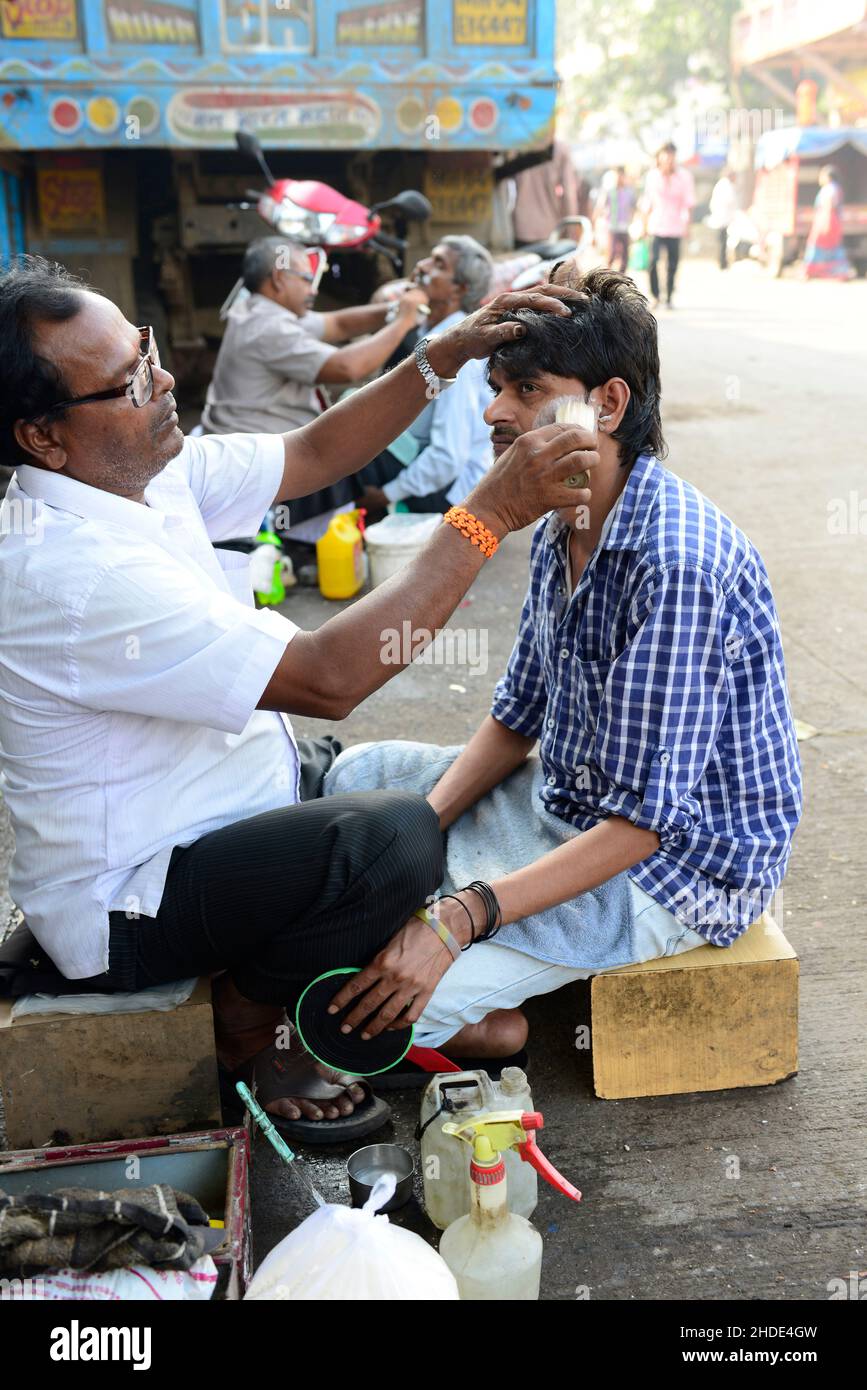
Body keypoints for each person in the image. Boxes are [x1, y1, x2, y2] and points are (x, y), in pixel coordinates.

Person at [0, 256, 594, 1142]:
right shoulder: (67, 572)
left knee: (408, 784)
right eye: (128, 382)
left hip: (219, 796)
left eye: (148, 349)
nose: (161, 381)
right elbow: (330, 677)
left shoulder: (133, 465)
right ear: (43, 438)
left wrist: (448, 350)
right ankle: (249, 1023)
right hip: (135, 896)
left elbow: (313, 453)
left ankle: (362, 990)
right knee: (393, 837)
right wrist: (486, 514)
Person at [323, 266, 802, 1059]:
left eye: (525, 389)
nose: (494, 410)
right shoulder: (561, 516)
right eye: (495, 386)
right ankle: (492, 983)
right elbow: (515, 719)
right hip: (571, 804)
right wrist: (418, 832)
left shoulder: (673, 563)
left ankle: (489, 1024)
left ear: (607, 404)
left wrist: (460, 913)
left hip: (675, 871)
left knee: (372, 1007)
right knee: (360, 780)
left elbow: (642, 827)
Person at [202, 237, 427, 530]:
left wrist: (394, 310)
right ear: (279, 279)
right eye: (307, 278)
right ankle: (319, 533)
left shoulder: (263, 310)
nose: (314, 289)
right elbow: (348, 367)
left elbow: (339, 325)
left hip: (246, 445)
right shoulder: (267, 327)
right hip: (258, 464)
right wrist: (403, 322)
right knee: (371, 443)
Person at [358, 236, 495, 517]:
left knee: (352, 448)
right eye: (429, 258)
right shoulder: (427, 333)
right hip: (429, 469)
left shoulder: (455, 348)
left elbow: (448, 457)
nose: (421, 266)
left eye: (438, 264)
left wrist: (385, 495)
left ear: (460, 288)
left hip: (450, 494)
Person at [641, 142, 695, 310]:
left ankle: (669, 296)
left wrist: (688, 226)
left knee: (672, 264)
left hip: (675, 226)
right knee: (653, 261)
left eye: (672, 158)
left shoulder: (684, 177)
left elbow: (688, 203)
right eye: (666, 158)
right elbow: (646, 203)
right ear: (659, 158)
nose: (669, 162)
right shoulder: (652, 176)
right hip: (656, 225)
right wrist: (643, 225)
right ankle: (656, 295)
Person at [512, 138, 580, 247]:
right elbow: (569, 194)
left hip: (521, 228)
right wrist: (571, 230)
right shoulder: (561, 149)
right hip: (551, 229)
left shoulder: (515, 147)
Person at [803, 166, 854, 280]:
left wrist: (826, 223)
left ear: (828, 177)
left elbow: (829, 206)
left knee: (816, 244)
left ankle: (810, 271)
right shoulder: (835, 188)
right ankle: (840, 271)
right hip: (832, 220)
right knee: (834, 246)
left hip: (826, 220)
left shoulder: (829, 189)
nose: (820, 178)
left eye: (822, 175)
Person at [594, 167, 636, 274]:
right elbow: (600, 207)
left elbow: (633, 207)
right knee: (611, 253)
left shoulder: (629, 192)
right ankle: (606, 275)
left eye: (621, 176)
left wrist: (632, 219)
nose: (619, 179)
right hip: (612, 226)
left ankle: (622, 275)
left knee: (625, 254)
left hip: (625, 227)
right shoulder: (609, 191)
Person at [707, 167, 738, 270]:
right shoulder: (725, 185)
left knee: (722, 241)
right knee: (722, 242)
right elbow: (730, 201)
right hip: (722, 217)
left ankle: (722, 262)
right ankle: (722, 262)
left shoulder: (722, 185)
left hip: (723, 217)